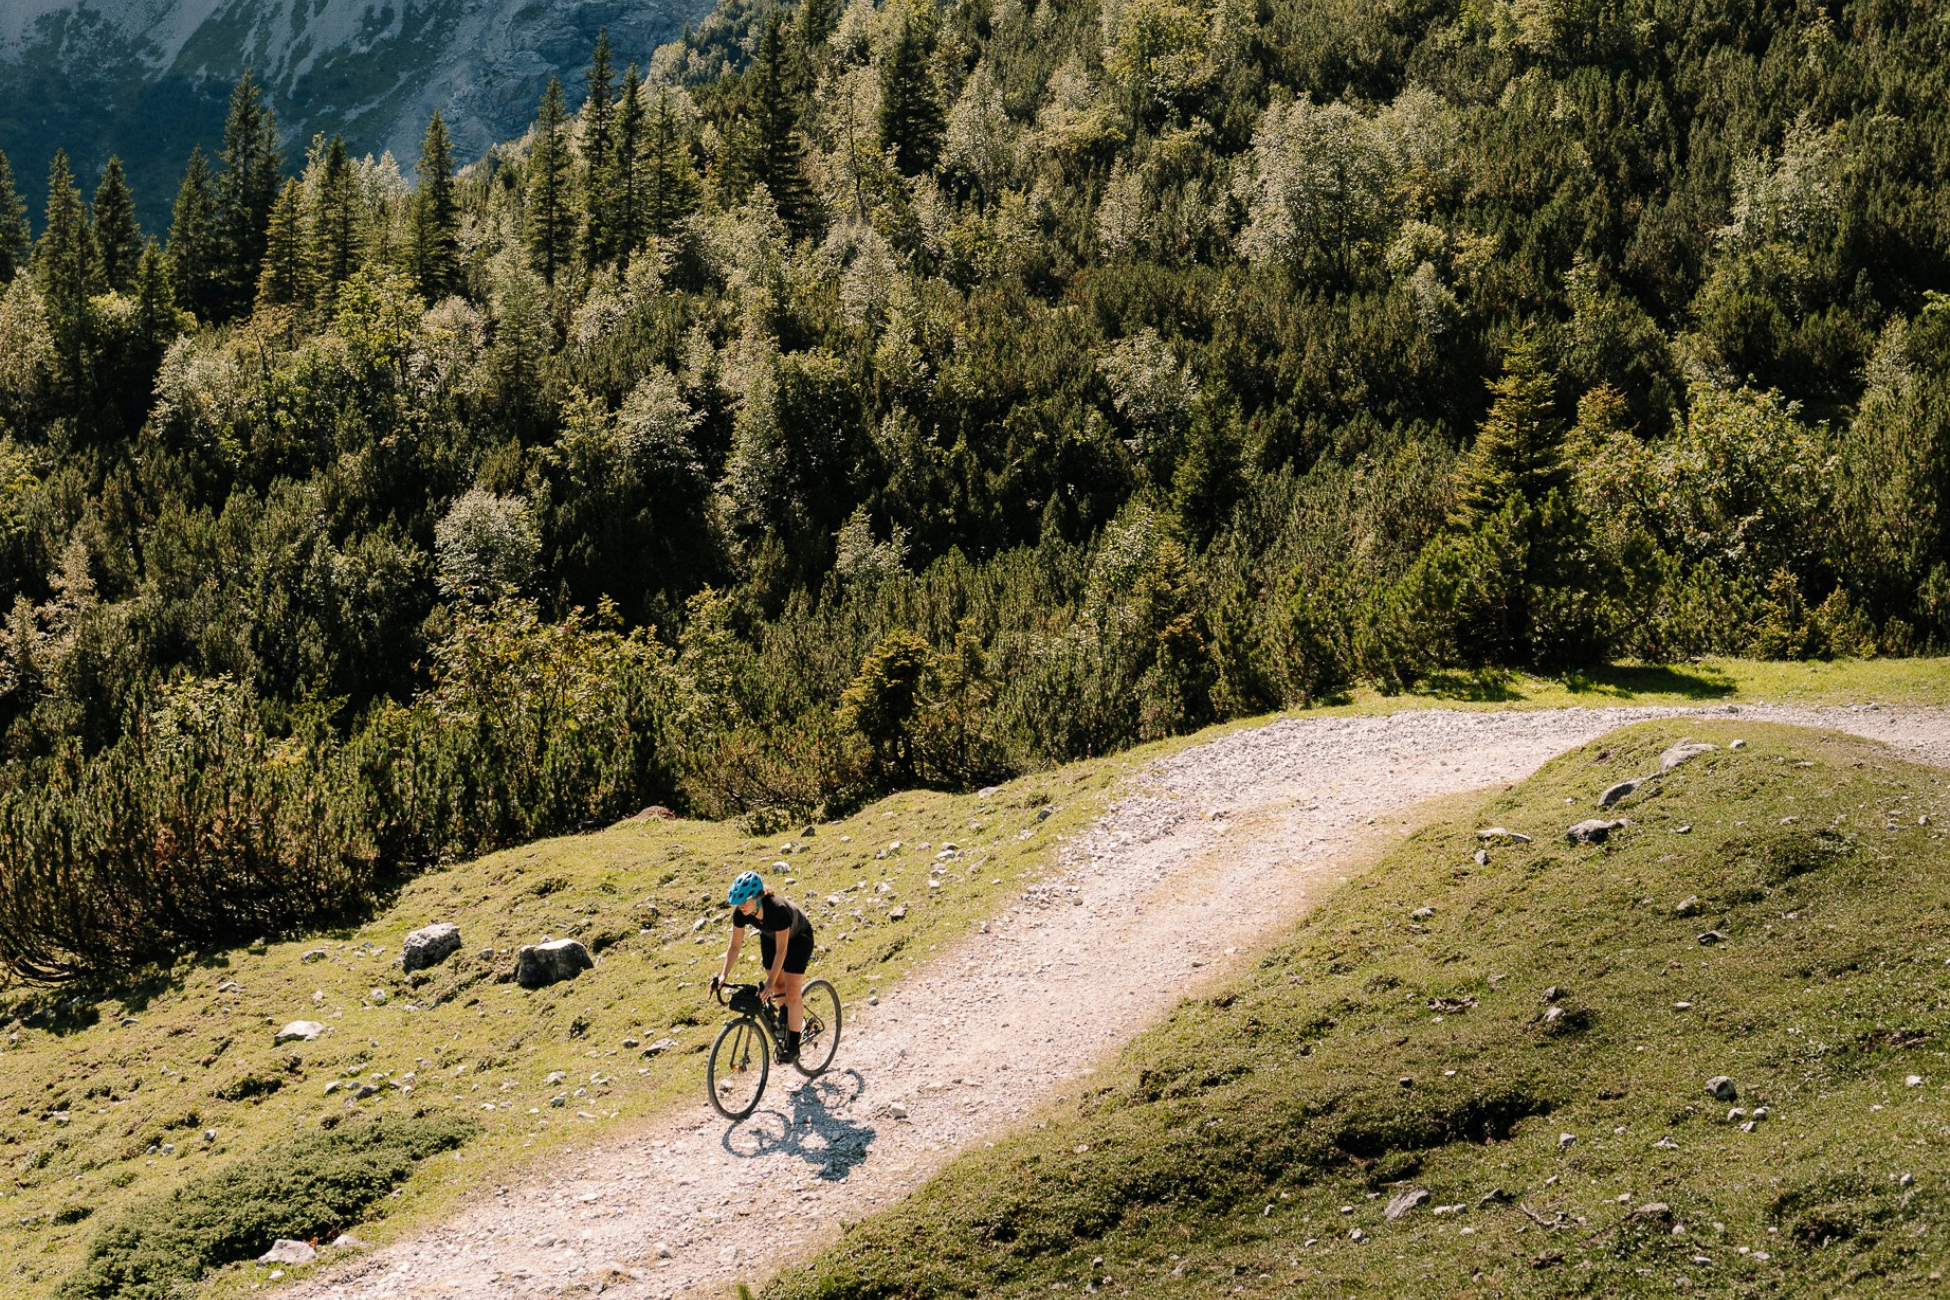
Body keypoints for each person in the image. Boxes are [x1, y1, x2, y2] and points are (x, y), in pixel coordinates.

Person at [709, 870, 815, 1063]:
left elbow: (782, 951)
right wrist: (723, 975)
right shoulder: (742, 913)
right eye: (738, 903)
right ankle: (785, 1018)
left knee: (791, 991)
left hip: (799, 938)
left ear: (758, 897)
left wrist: (769, 981)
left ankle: (793, 1045)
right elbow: (734, 945)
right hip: (770, 937)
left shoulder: (777, 909)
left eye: (745, 902)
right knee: (777, 988)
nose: (741, 906)